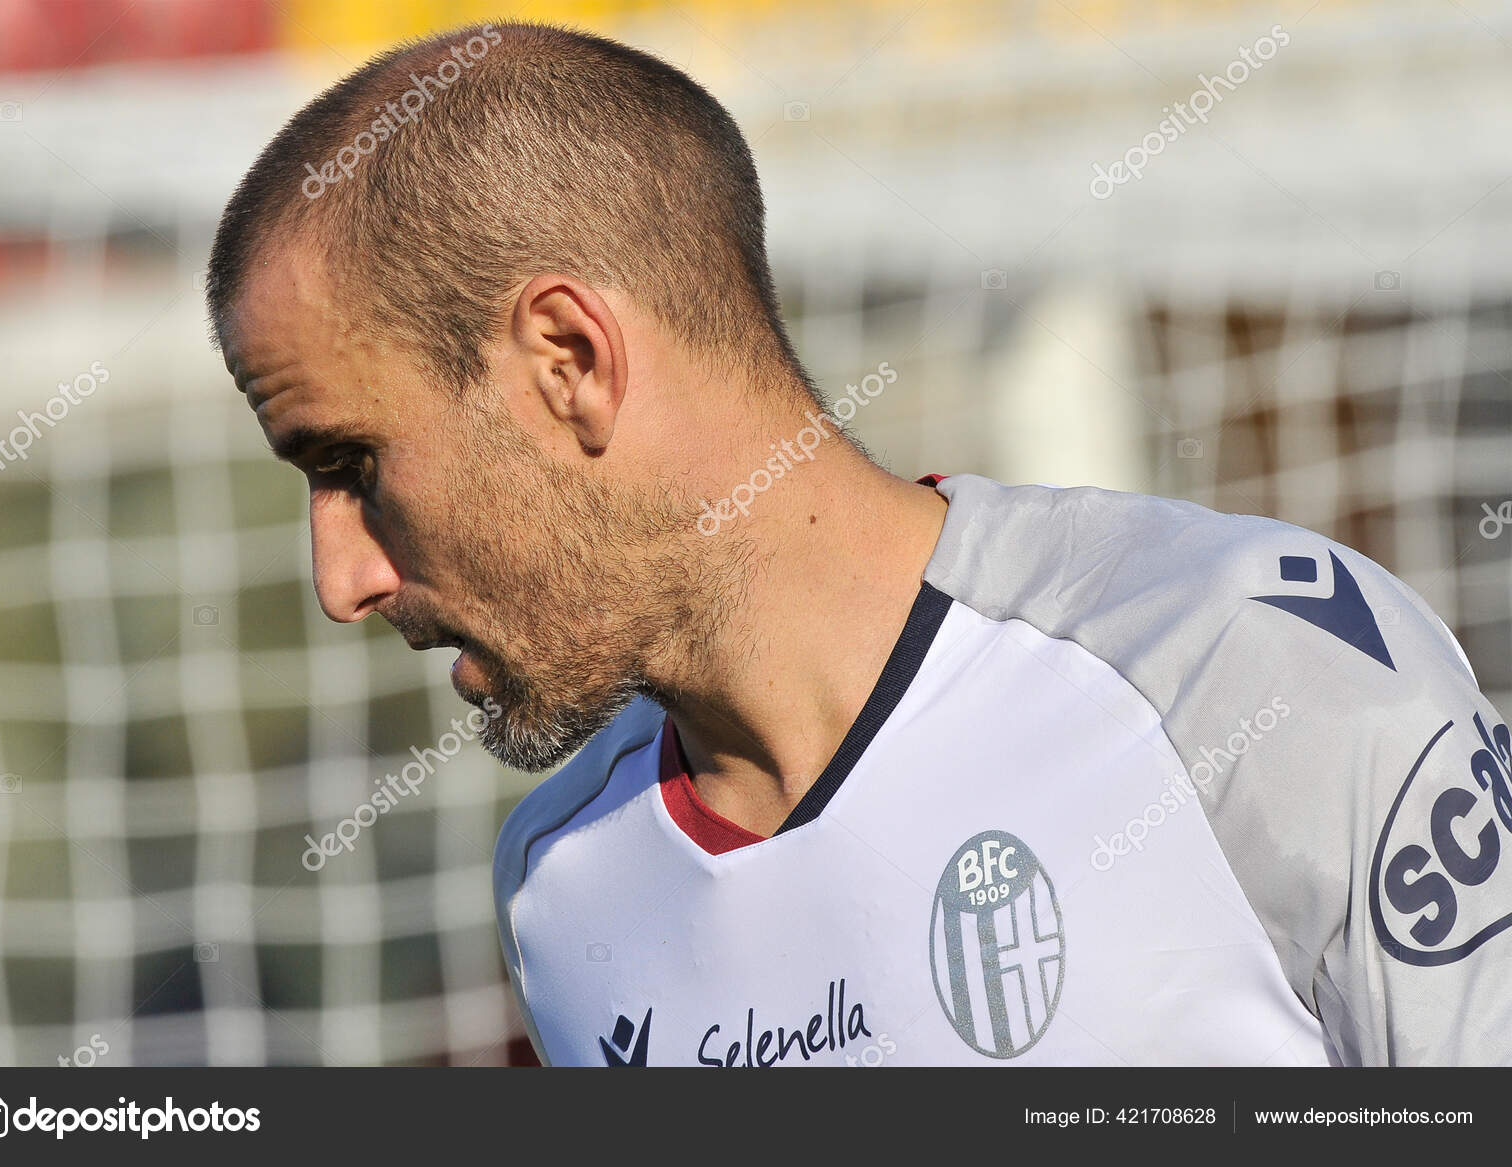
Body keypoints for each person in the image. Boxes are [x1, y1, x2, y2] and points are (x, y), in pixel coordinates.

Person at [207, 21, 1511, 1066]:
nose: (342, 582)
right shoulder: (561, 888)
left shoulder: (1248, 668)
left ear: (570, 362)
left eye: (352, 466)